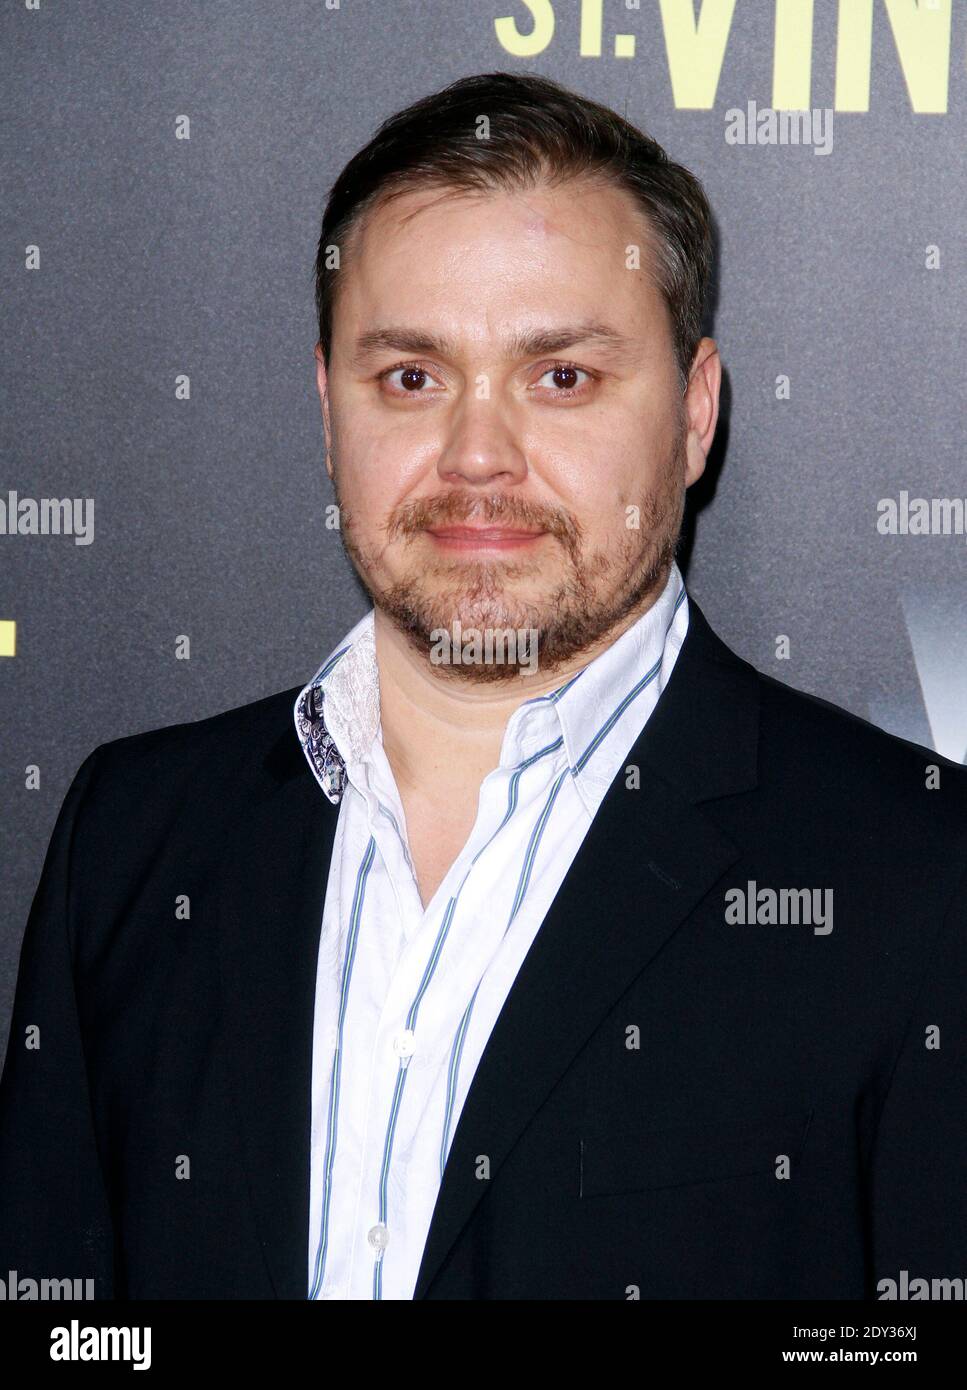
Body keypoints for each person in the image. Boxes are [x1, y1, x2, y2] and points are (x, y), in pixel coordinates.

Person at [1, 71, 965, 1302]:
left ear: (694, 413)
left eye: (560, 376)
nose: (474, 455)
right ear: (327, 407)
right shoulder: (133, 838)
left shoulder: (920, 873)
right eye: (410, 377)